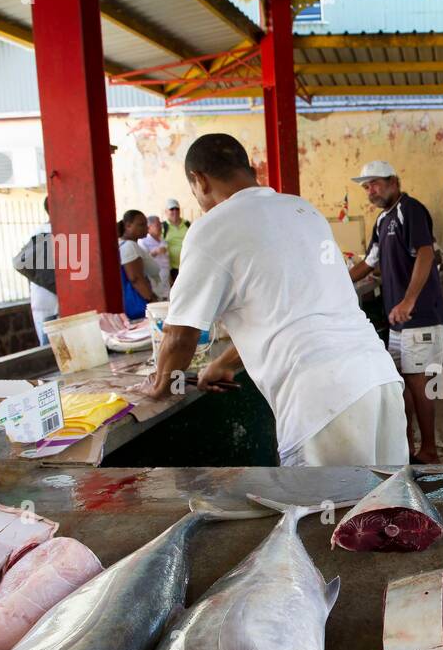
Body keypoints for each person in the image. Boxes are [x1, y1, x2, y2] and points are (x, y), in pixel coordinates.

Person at [143, 133, 407, 468]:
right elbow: (288, 315)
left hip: (323, 398)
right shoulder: (303, 210)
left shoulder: (211, 229)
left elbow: (180, 335)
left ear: (199, 180)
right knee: (387, 512)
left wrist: (161, 383)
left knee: (328, 516)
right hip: (378, 379)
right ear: (248, 169)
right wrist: (224, 363)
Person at [347, 161, 443, 464]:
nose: (370, 192)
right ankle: (406, 447)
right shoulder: (382, 220)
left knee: (418, 381)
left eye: (374, 184)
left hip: (420, 316)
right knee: (401, 383)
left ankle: (428, 449)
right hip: (398, 320)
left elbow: (426, 253)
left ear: (393, 180)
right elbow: (369, 262)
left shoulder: (410, 209)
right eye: (366, 187)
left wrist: (409, 301)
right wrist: (335, 281)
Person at [12, 197, 58, 344]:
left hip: (45, 301)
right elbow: (20, 262)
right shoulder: (46, 233)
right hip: (50, 303)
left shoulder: (42, 232)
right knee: (52, 352)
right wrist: (55, 286)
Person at [118, 210, 159, 319]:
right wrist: (152, 301)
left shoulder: (131, 245)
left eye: (146, 224)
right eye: (141, 224)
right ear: (128, 226)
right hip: (143, 305)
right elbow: (135, 278)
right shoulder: (129, 247)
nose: (146, 227)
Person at [139, 212, 172, 299]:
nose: (160, 227)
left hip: (166, 278)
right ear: (149, 227)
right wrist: (155, 252)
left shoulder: (162, 240)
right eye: (157, 225)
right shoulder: (143, 241)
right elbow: (143, 260)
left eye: (160, 225)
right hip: (154, 280)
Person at [163, 198, 190, 286]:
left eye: (177, 209)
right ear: (166, 211)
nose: (175, 211)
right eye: (172, 209)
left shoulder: (187, 224)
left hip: (188, 265)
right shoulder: (163, 227)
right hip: (172, 268)